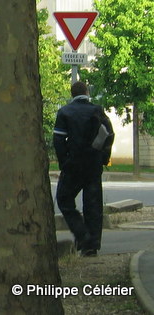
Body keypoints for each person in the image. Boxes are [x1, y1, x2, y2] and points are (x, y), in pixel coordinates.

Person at [53, 81, 114, 257]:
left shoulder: (64, 112)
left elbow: (58, 141)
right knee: (93, 204)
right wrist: (103, 157)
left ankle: (82, 234)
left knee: (64, 199)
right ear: (87, 92)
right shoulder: (97, 110)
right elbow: (109, 135)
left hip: (73, 165)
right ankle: (92, 245)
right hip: (93, 164)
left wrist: (64, 162)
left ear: (72, 94)